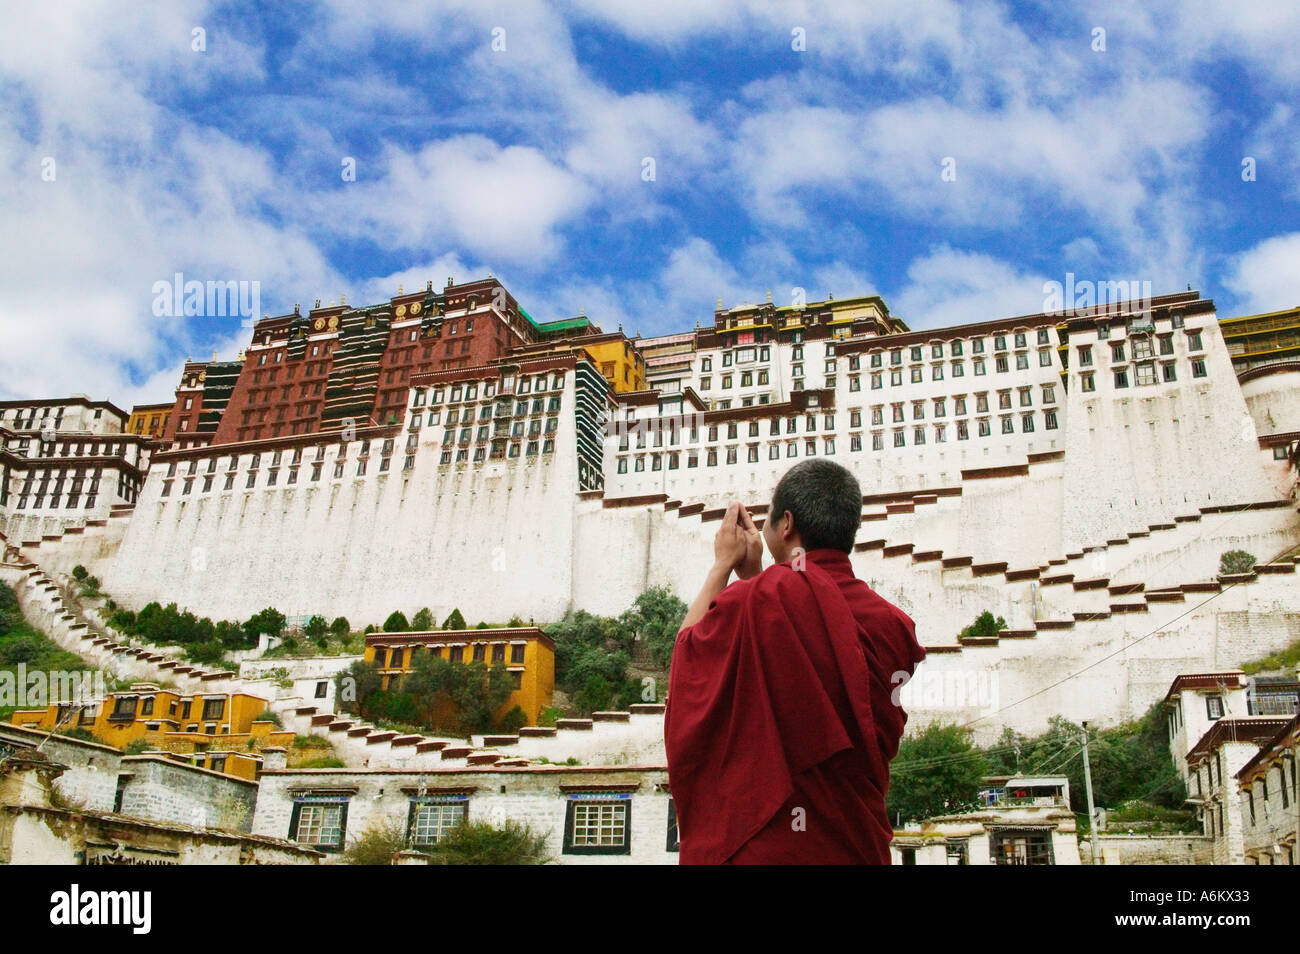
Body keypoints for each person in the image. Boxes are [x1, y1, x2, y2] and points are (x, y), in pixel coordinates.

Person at [664, 459, 926, 864]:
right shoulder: (892, 624)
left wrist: (723, 566)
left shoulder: (756, 600)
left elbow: (687, 660)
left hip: (768, 850)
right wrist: (756, 581)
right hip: (855, 847)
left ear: (786, 524)